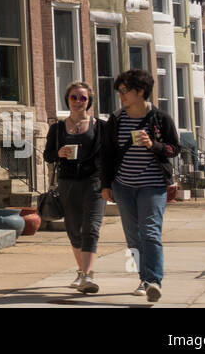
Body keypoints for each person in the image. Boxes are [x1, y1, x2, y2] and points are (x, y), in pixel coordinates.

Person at [101, 69, 181, 303]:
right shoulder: (116, 119)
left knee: (150, 232)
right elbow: (106, 155)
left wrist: (153, 145)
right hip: (123, 186)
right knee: (133, 238)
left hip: (153, 185)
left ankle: (154, 280)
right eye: (119, 91)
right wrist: (106, 184)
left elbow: (174, 149)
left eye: (125, 91)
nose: (121, 95)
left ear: (141, 91)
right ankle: (144, 278)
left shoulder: (160, 118)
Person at [44, 81, 105, 294]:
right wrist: (58, 154)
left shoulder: (100, 126)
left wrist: (110, 183)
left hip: (94, 182)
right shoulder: (58, 128)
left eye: (83, 98)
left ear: (89, 101)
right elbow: (47, 155)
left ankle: (88, 275)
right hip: (67, 182)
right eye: (74, 97)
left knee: (92, 227)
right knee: (73, 228)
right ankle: (81, 272)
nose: (78, 102)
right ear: (67, 100)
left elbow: (108, 156)